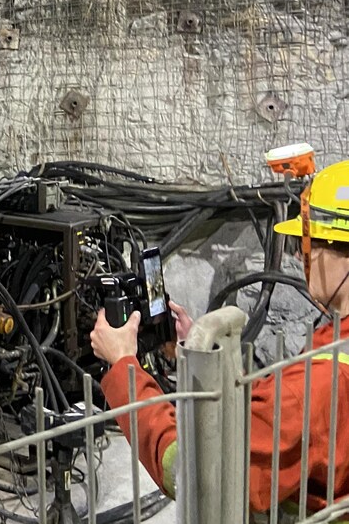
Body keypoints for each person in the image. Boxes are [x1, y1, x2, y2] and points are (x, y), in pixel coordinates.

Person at [91, 160, 349, 512]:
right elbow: (275, 416)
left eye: (305, 242)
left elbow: (196, 473)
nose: (300, 254)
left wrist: (124, 369)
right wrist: (197, 353)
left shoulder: (321, 379)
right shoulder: (331, 351)